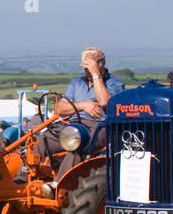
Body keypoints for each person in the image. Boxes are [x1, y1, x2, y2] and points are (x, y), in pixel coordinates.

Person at [20, 47, 124, 187]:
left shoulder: (114, 83)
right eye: (84, 67)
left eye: (89, 67)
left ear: (102, 63)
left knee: (76, 143)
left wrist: (96, 75)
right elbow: (60, 109)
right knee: (43, 140)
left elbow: (104, 101)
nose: (86, 70)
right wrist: (83, 105)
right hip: (73, 124)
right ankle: (22, 179)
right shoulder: (77, 83)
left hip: (99, 126)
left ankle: (58, 185)